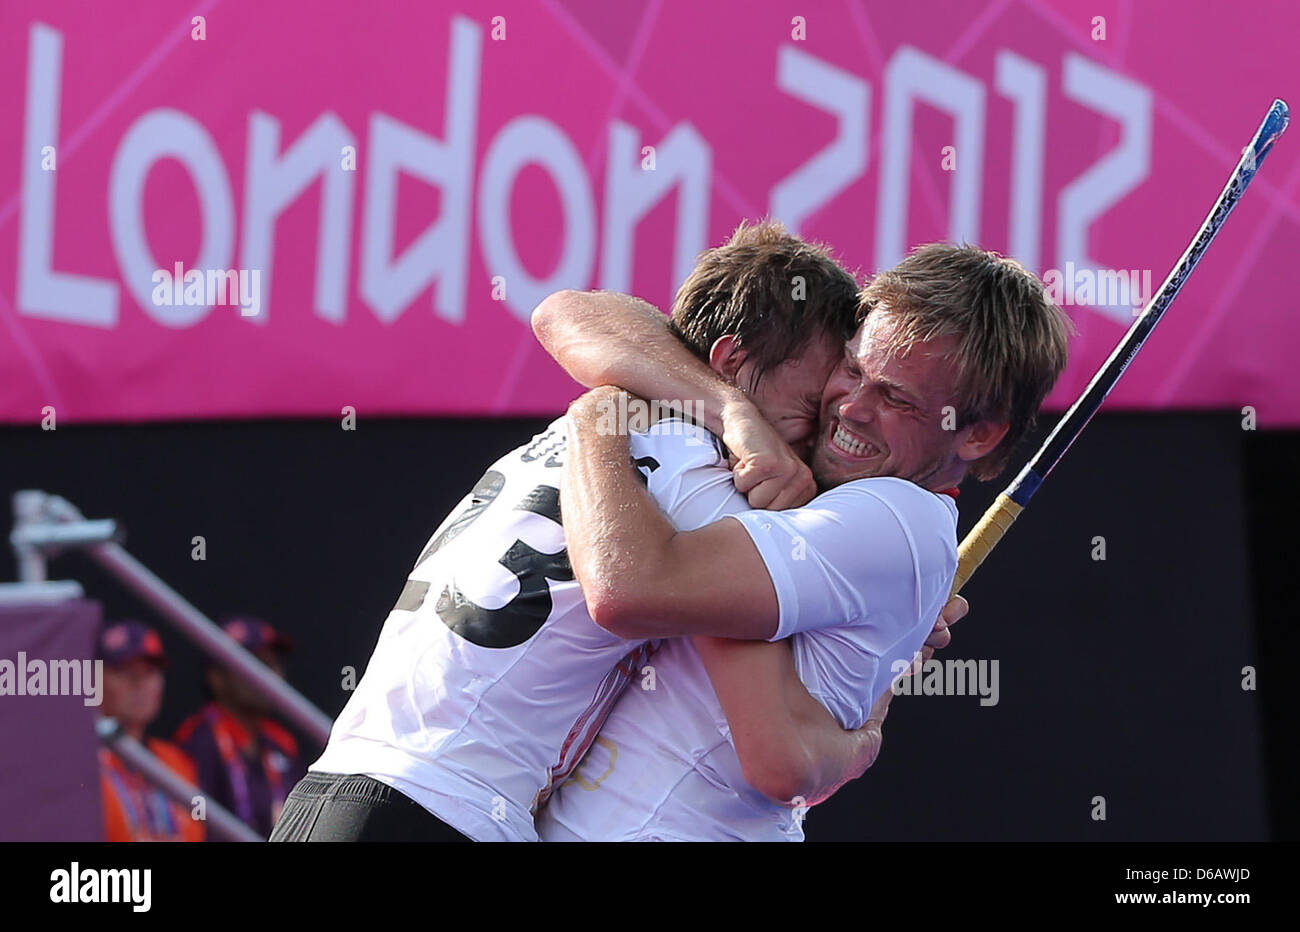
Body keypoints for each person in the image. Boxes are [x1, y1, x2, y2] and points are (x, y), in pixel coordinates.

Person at [273, 220, 922, 842]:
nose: (809, 440)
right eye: (809, 407)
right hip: (447, 816)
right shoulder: (702, 481)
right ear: (733, 360)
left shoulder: (589, 424)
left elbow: (570, 311)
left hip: (332, 788)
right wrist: (883, 666)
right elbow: (779, 749)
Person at [532, 241, 1072, 840]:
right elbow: (566, 312)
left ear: (979, 434)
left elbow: (628, 589)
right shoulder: (831, 494)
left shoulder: (894, 518)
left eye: (896, 398)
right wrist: (733, 410)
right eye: (853, 369)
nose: (851, 409)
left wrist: (597, 415)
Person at [174, 616, 304, 838]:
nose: (269, 675)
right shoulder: (196, 740)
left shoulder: (283, 742)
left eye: (273, 664)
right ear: (217, 677)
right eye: (257, 665)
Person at [97, 620, 205, 842]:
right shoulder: (76, 760)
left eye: (149, 671)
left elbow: (197, 831)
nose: (139, 683)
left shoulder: (177, 762)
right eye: (123, 671)